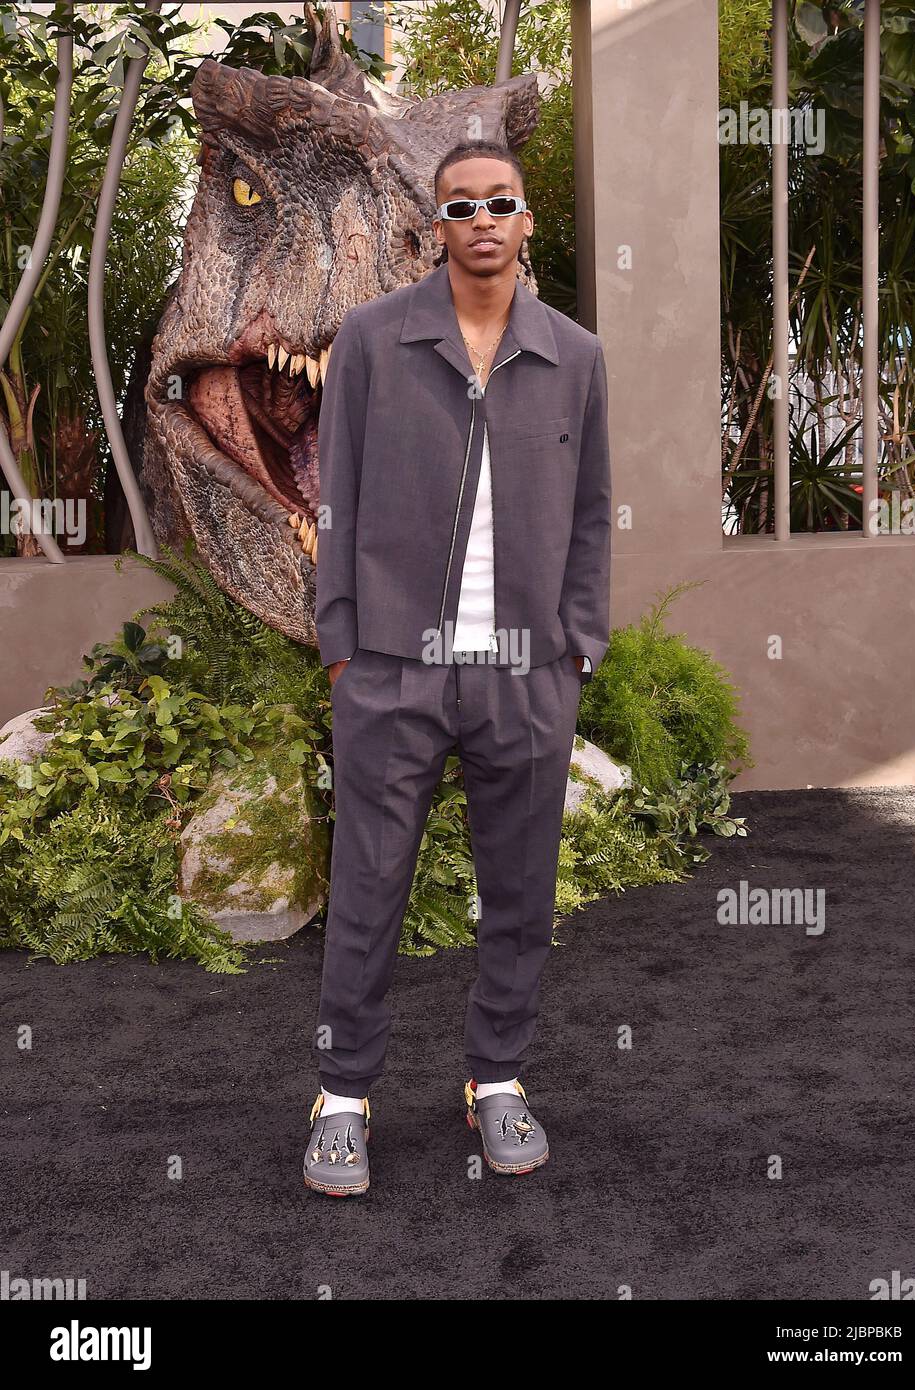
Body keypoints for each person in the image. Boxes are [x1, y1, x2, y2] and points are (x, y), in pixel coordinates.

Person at [304, 138, 612, 1196]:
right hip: (391, 663)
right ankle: (341, 1095)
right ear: (433, 225)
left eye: (501, 203)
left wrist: (577, 640)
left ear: (528, 223)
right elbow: (332, 493)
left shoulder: (574, 356)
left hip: (525, 668)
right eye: (459, 205)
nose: (481, 219)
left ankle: (497, 1078)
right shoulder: (374, 340)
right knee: (368, 884)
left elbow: (588, 517)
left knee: (519, 887)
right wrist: (340, 641)